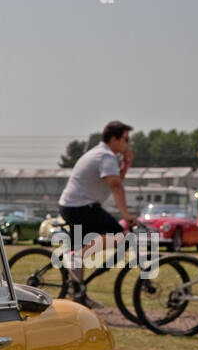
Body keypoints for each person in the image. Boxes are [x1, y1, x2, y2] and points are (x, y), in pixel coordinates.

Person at [57, 121, 138, 307]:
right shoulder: (105, 156)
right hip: (81, 206)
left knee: (81, 249)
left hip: (74, 205)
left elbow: (115, 180)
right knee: (119, 235)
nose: (127, 144)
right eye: (125, 139)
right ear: (114, 139)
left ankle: (78, 296)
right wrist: (126, 215)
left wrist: (126, 164)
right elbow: (116, 186)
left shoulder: (104, 154)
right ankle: (75, 258)